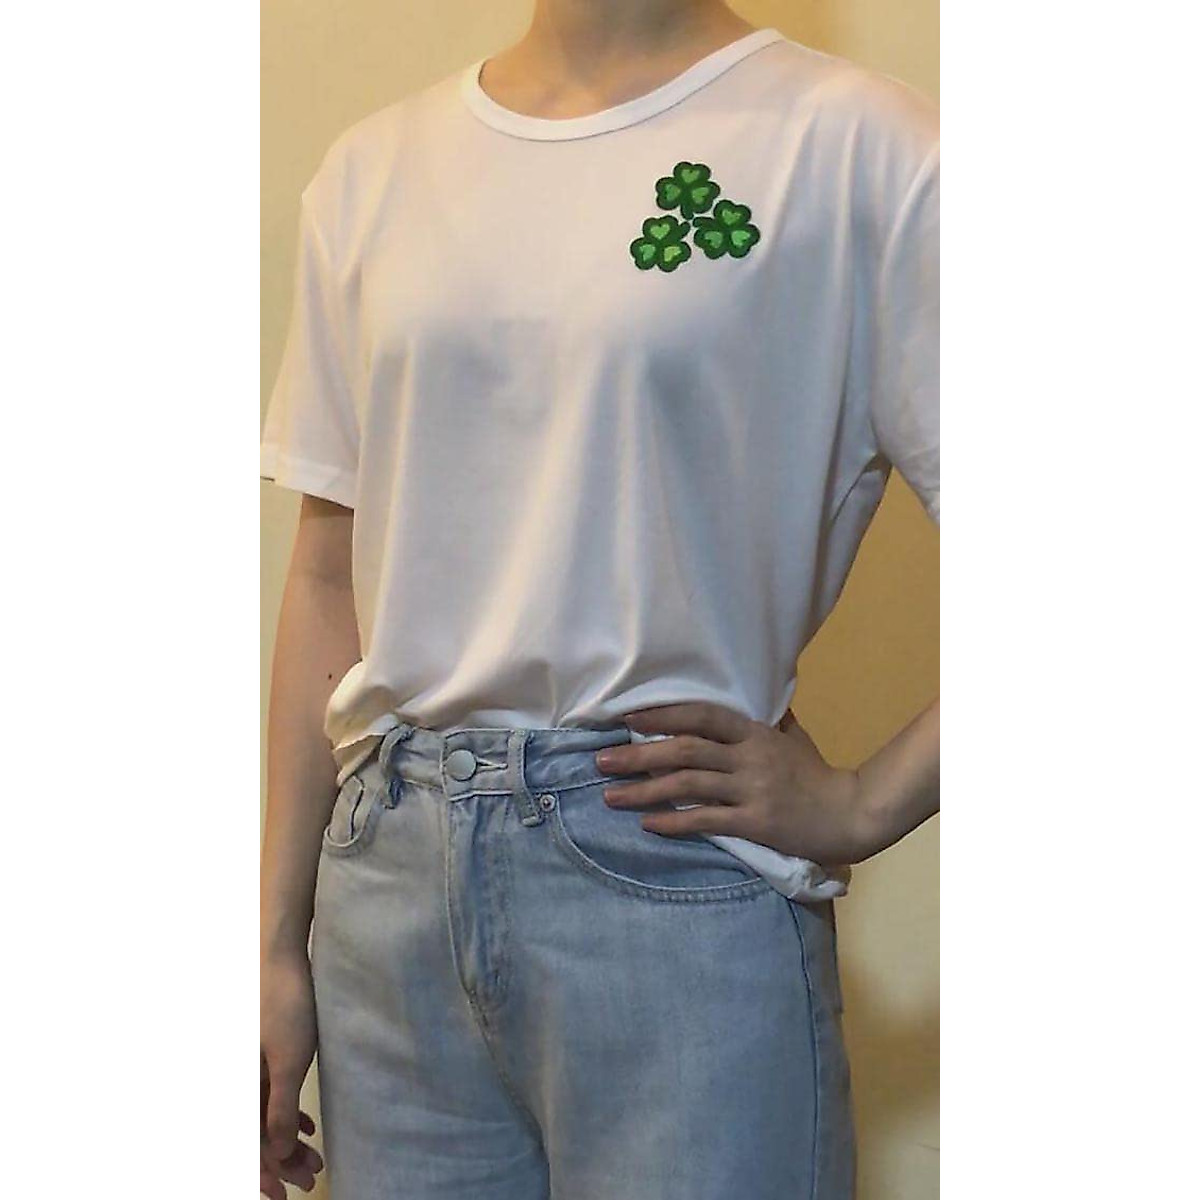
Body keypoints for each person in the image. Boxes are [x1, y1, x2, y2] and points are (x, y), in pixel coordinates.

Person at [260, 1, 939, 1197]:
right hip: (386, 890)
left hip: (667, 874)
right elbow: (329, 569)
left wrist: (862, 803)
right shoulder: (375, 170)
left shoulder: (859, 150)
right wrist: (272, 944)